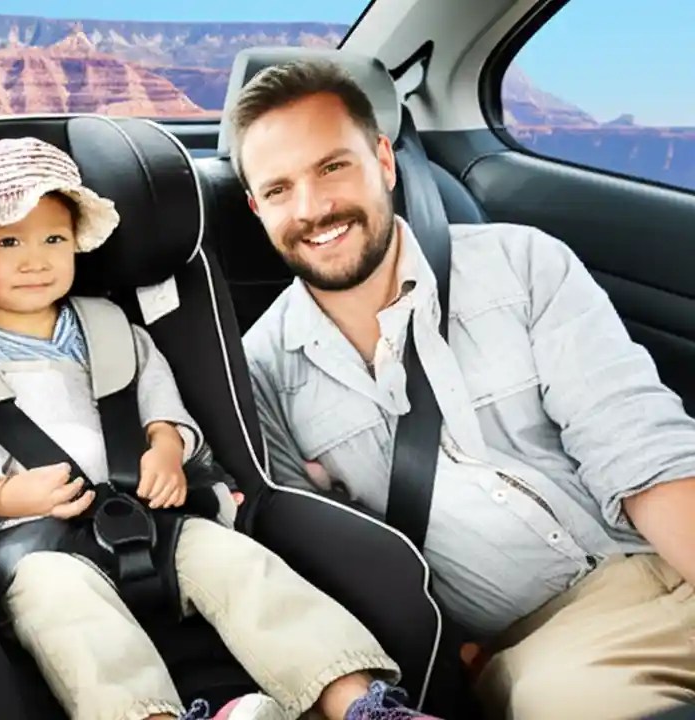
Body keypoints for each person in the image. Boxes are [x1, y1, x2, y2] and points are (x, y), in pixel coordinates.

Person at [231, 58, 695, 720]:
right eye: (278, 190)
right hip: (557, 648)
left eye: (333, 167)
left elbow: (641, 444)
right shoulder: (259, 378)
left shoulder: (522, 264)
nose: (313, 208)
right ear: (256, 209)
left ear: (384, 162)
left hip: (671, 550)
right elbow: (319, 569)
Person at [0, 136, 440, 720]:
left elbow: (160, 406)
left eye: (54, 239)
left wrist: (167, 449)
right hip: (35, 541)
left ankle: (356, 699)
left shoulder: (115, 329)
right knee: (68, 616)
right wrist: (5, 495)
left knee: (246, 569)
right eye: (8, 241)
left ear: (76, 245)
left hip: (153, 516)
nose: (34, 258)